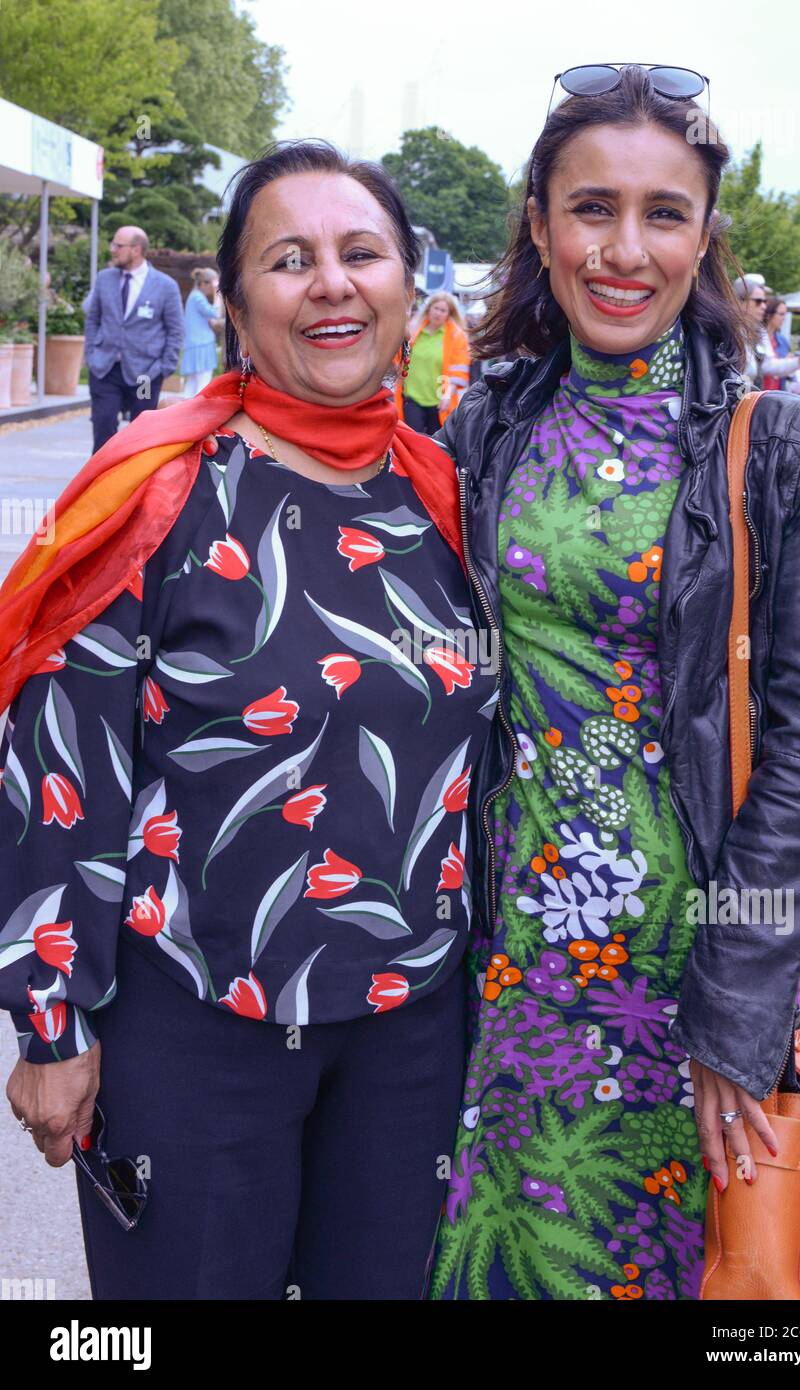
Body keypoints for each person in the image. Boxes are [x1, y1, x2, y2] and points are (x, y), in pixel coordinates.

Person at [0, 140, 500, 1300]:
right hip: (192, 1022)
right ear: (230, 304)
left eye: (360, 252)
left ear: (406, 290)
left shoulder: (448, 495)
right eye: (289, 259)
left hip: (409, 1033)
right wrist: (49, 1021)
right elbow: (58, 770)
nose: (331, 282)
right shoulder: (158, 492)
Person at [424, 63, 800, 1301]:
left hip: (682, 985)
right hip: (500, 976)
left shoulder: (778, 447)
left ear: (704, 236)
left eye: (664, 214)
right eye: (592, 209)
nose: (625, 250)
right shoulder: (487, 423)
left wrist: (737, 1007)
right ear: (539, 223)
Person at [84, 226, 185, 452]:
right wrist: (91, 355)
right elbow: (93, 320)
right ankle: (102, 484)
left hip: (145, 375)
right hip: (105, 369)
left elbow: (176, 330)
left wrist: (163, 367)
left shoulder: (165, 286)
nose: (113, 250)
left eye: (118, 246)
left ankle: (136, 484)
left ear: (136, 249)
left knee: (141, 432)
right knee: (103, 426)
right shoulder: (104, 279)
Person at [395, 291, 470, 434]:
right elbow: (397, 359)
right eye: (436, 308)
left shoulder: (457, 337)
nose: (438, 313)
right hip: (412, 398)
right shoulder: (413, 331)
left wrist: (447, 395)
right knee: (413, 440)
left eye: (443, 310)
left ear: (449, 314)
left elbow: (458, 372)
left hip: (439, 401)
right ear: (429, 308)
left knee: (435, 444)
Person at [180, 267, 224, 396]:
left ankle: (185, 413)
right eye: (213, 284)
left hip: (195, 345)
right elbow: (216, 312)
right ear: (204, 283)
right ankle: (195, 413)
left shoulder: (195, 297)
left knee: (192, 384)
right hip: (202, 345)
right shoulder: (197, 298)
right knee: (202, 383)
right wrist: (217, 294)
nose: (214, 288)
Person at [762, 296, 790, 390]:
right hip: (756, 394)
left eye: (785, 314)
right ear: (769, 314)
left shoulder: (783, 341)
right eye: (781, 314)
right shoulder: (755, 339)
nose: (784, 318)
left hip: (778, 395)